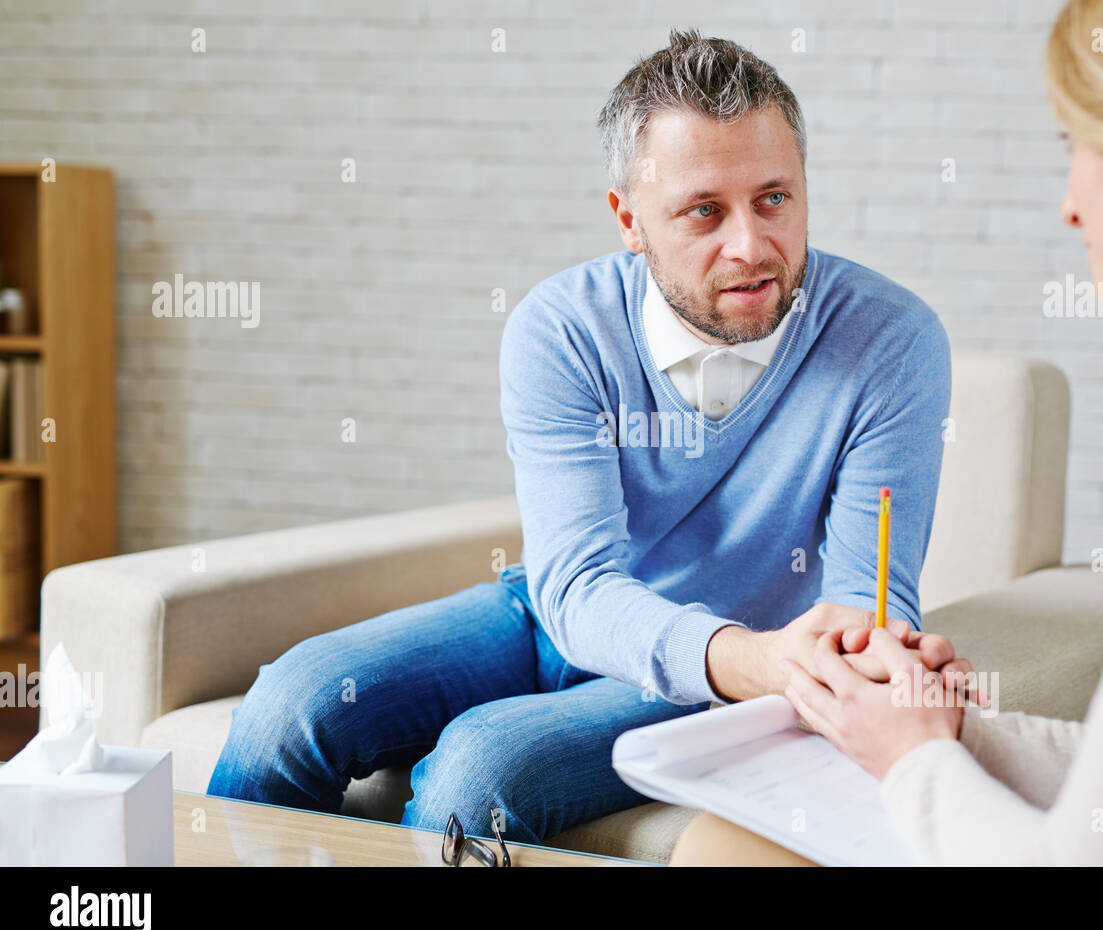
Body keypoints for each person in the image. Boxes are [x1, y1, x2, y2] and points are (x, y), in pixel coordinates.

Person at [207, 28, 962, 846]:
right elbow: (574, 588)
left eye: (774, 198)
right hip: (565, 614)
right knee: (288, 704)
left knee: (477, 768)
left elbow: (868, 606)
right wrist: (753, 655)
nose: (750, 246)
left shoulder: (891, 341)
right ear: (628, 221)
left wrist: (840, 658)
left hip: (737, 678)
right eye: (704, 210)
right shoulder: (561, 330)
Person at [672, 0, 1103, 867]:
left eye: (1075, 149)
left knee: (730, 852)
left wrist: (914, 759)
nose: (1070, 205)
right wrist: (948, 729)